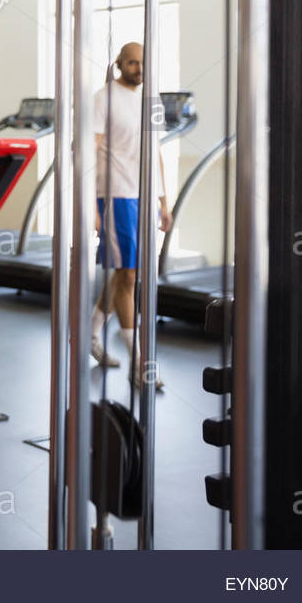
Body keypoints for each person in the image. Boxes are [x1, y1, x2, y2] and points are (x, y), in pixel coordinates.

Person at [91, 41, 171, 391]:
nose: (139, 68)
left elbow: (156, 155)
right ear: (120, 64)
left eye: (143, 62)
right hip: (117, 196)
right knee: (129, 275)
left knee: (127, 274)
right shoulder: (103, 98)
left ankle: (89, 336)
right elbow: (89, 150)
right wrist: (91, 206)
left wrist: (164, 203)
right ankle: (140, 364)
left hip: (146, 198)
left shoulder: (152, 102)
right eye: (133, 62)